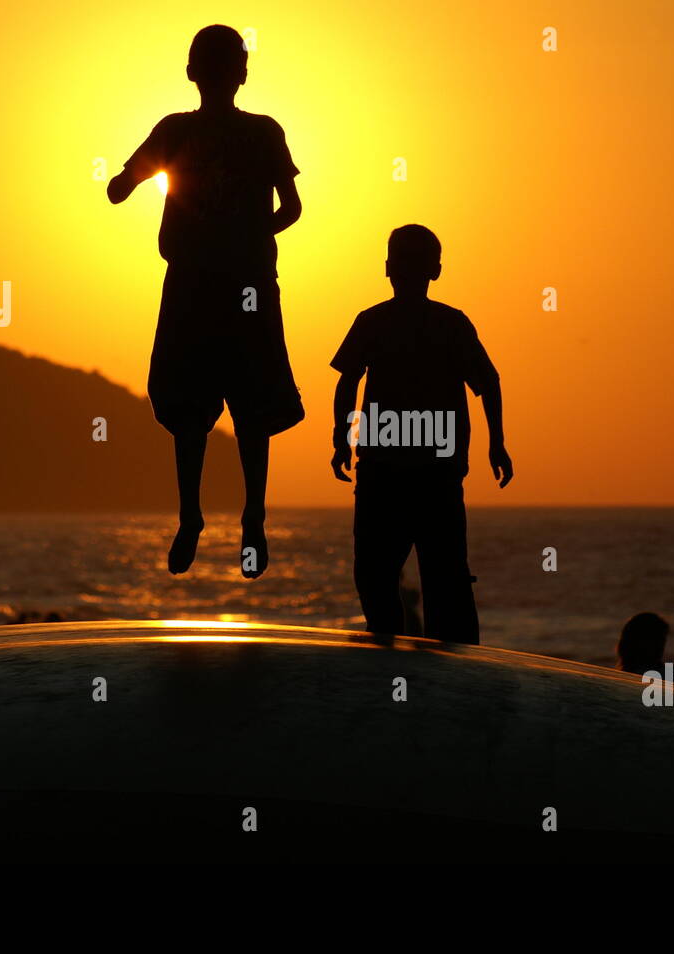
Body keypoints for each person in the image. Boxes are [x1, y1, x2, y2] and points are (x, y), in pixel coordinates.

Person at [107, 24, 304, 578]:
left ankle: (244, 518)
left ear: (198, 73)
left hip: (230, 287)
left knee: (237, 409)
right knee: (223, 411)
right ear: (232, 74)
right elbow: (290, 210)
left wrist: (245, 234)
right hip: (209, 286)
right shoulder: (185, 132)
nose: (219, 77)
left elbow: (289, 208)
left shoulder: (251, 133)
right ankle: (206, 516)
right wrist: (128, 182)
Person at [330, 225, 512, 643]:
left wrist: (340, 438)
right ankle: (435, 666)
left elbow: (347, 382)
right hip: (418, 475)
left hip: (405, 476)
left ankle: (394, 654)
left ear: (388, 268)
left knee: (390, 576)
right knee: (432, 579)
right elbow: (489, 382)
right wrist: (496, 443)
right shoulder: (440, 324)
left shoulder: (392, 322)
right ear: (437, 269)